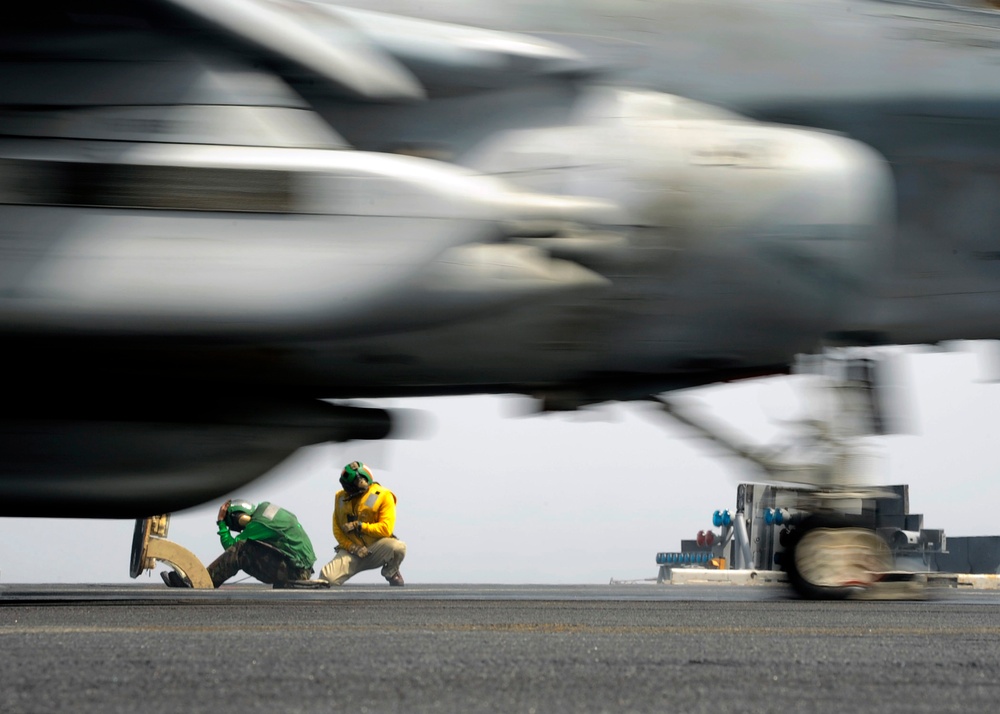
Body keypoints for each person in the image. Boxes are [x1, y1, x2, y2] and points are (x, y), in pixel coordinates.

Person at [162, 499, 319, 589]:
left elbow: (232, 548)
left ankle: (200, 583)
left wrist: (221, 524)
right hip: (297, 568)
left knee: (241, 550)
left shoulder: (259, 524)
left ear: (240, 518)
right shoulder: (266, 512)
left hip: (295, 572)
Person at [319, 461, 406, 586]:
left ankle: (391, 571)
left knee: (399, 547)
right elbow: (337, 529)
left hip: (376, 548)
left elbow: (386, 529)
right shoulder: (340, 498)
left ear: (362, 481)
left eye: (350, 488)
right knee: (327, 580)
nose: (348, 492)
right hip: (352, 551)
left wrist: (360, 526)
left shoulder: (384, 496)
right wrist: (352, 547)